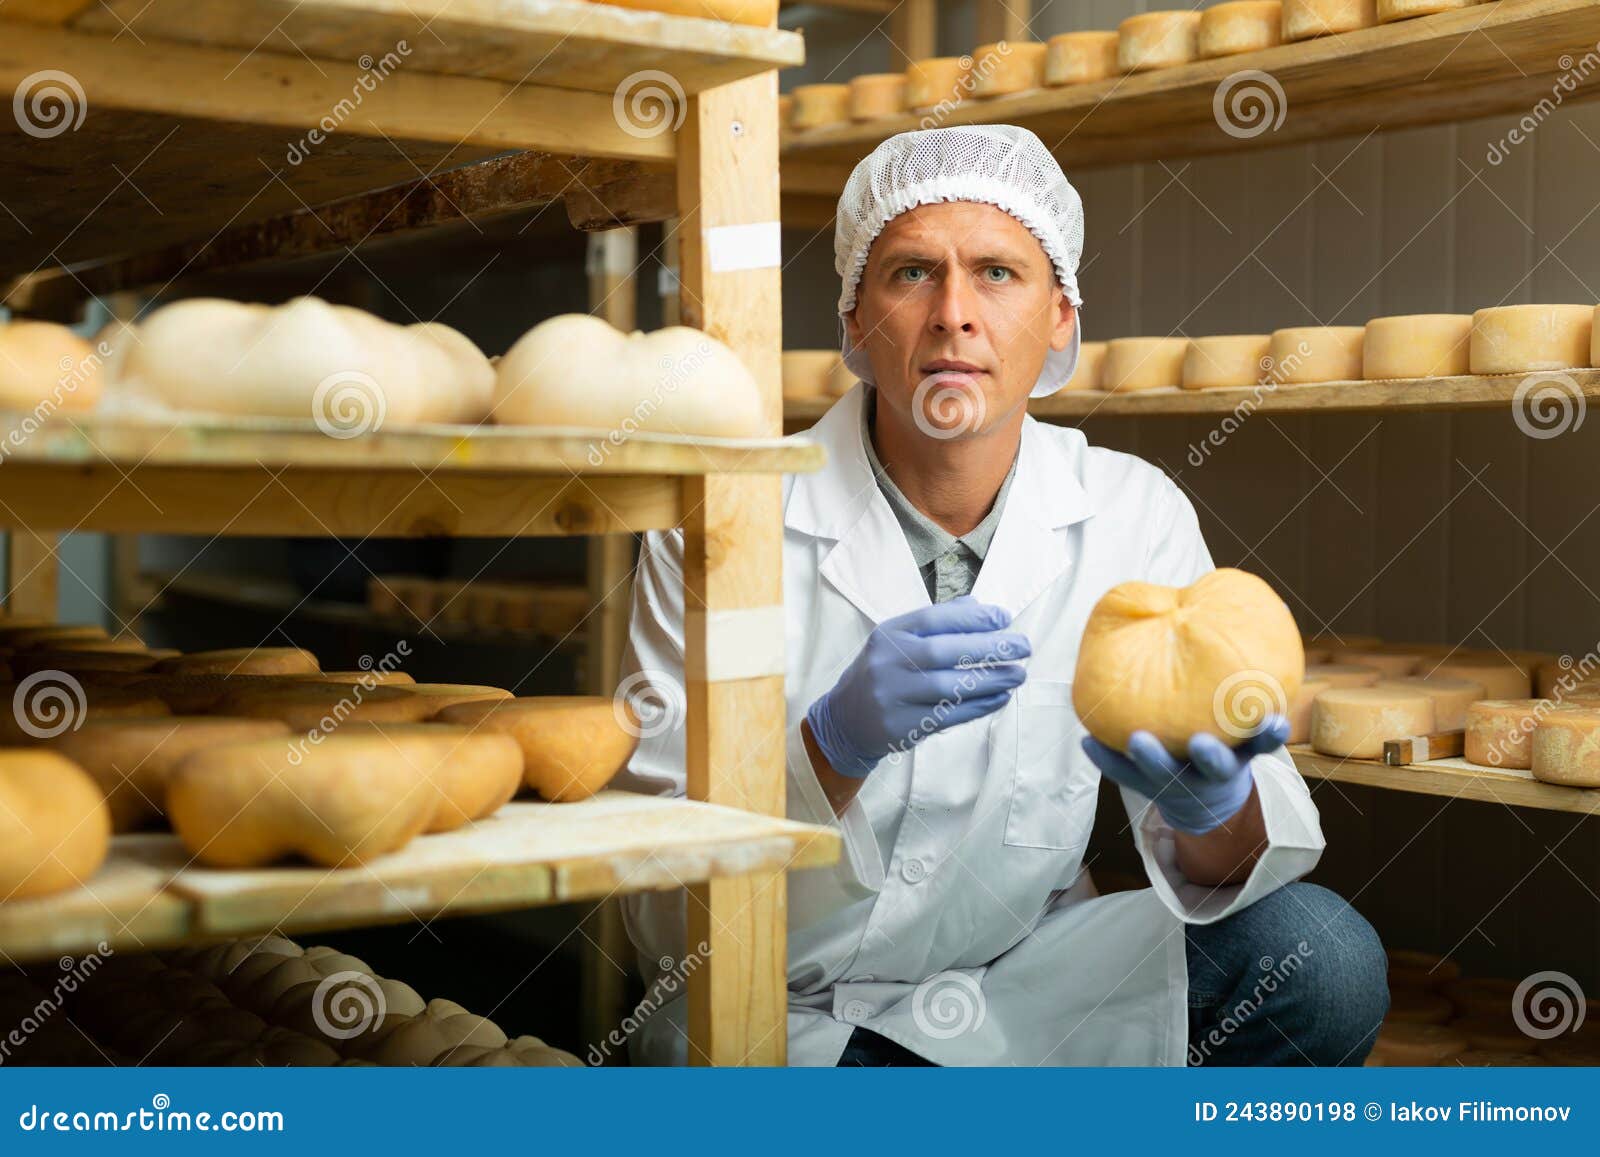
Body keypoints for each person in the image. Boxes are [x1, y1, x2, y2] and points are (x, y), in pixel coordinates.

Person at [614, 124, 1387, 1066]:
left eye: (997, 272)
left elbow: (1230, 863)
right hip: (781, 1015)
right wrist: (827, 751)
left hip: (1015, 991)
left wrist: (1209, 807)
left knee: (1323, 960)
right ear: (854, 319)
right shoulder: (720, 523)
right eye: (909, 273)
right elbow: (653, 902)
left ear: (1061, 316)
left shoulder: (1130, 511)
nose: (954, 314)